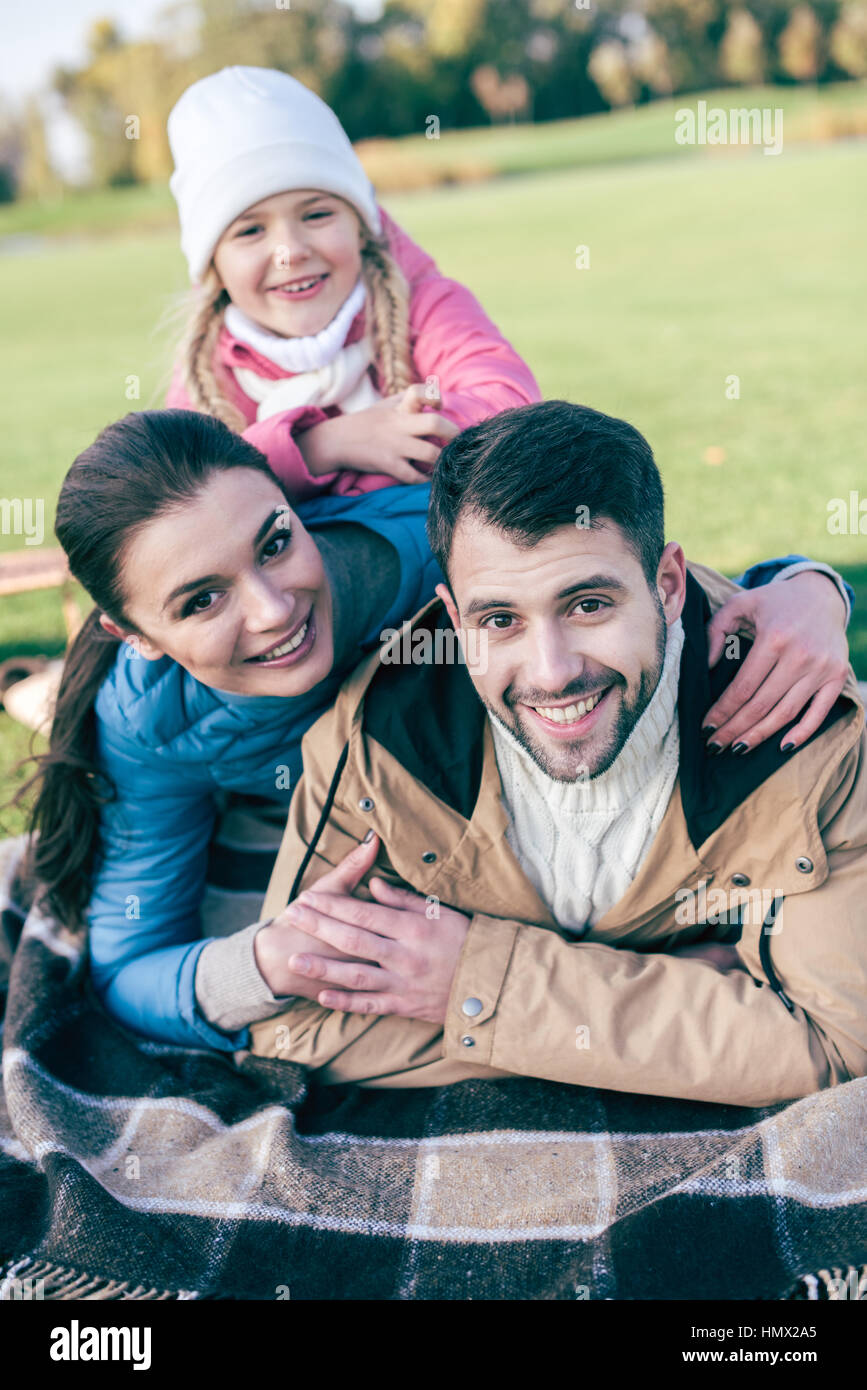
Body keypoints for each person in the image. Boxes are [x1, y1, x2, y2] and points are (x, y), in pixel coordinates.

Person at [11, 407, 853, 1055]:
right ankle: (40, 695)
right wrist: (262, 966)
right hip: (314, 827)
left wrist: (803, 589)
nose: (273, 610)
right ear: (139, 639)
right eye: (201, 600)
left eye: (274, 543)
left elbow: (617, 573)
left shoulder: (431, 549)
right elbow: (127, 966)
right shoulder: (151, 719)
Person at [244, 401, 866, 1107]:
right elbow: (295, 1029)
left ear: (665, 586)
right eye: (500, 620)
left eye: (588, 606)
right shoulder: (380, 736)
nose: (550, 672)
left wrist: (472, 986)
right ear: (454, 620)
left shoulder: (802, 722)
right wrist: (675, 1001)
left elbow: (836, 1047)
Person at [164, 65, 540, 498]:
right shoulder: (207, 369)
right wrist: (322, 446)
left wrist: (394, 434)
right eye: (250, 231)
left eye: (317, 214)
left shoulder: (426, 302)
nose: (291, 251)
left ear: (363, 226)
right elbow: (184, 499)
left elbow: (511, 406)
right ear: (213, 265)